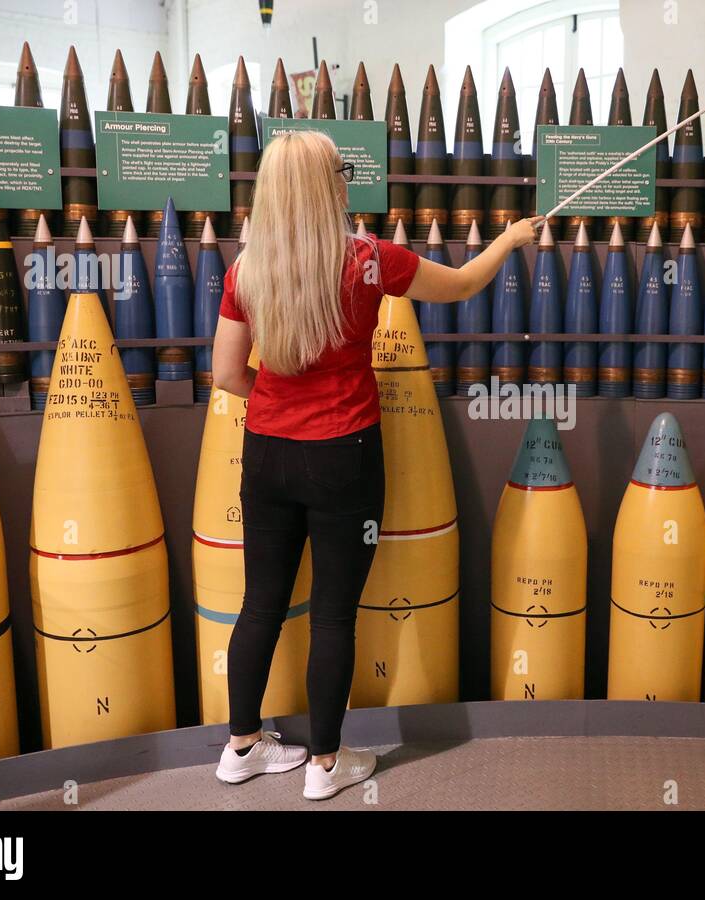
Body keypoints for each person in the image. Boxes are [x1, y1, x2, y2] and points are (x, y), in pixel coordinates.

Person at [211, 129, 544, 800]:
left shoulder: (247, 269)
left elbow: (225, 373)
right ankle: (325, 766)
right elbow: (463, 286)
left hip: (267, 456)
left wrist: (278, 404)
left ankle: (240, 748)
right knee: (334, 613)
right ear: (331, 185)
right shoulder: (369, 259)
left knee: (260, 604)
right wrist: (508, 241)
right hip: (344, 456)